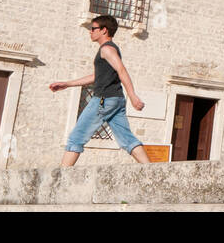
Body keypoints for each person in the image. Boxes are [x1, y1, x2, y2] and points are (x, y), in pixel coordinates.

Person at [50, 15, 151, 165]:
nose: (90, 32)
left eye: (93, 29)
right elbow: (96, 76)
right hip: (115, 100)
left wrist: (133, 96)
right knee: (127, 139)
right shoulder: (109, 49)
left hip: (103, 99)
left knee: (76, 138)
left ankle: (59, 180)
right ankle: (150, 170)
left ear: (104, 30)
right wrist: (68, 84)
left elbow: (121, 70)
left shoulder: (107, 49)